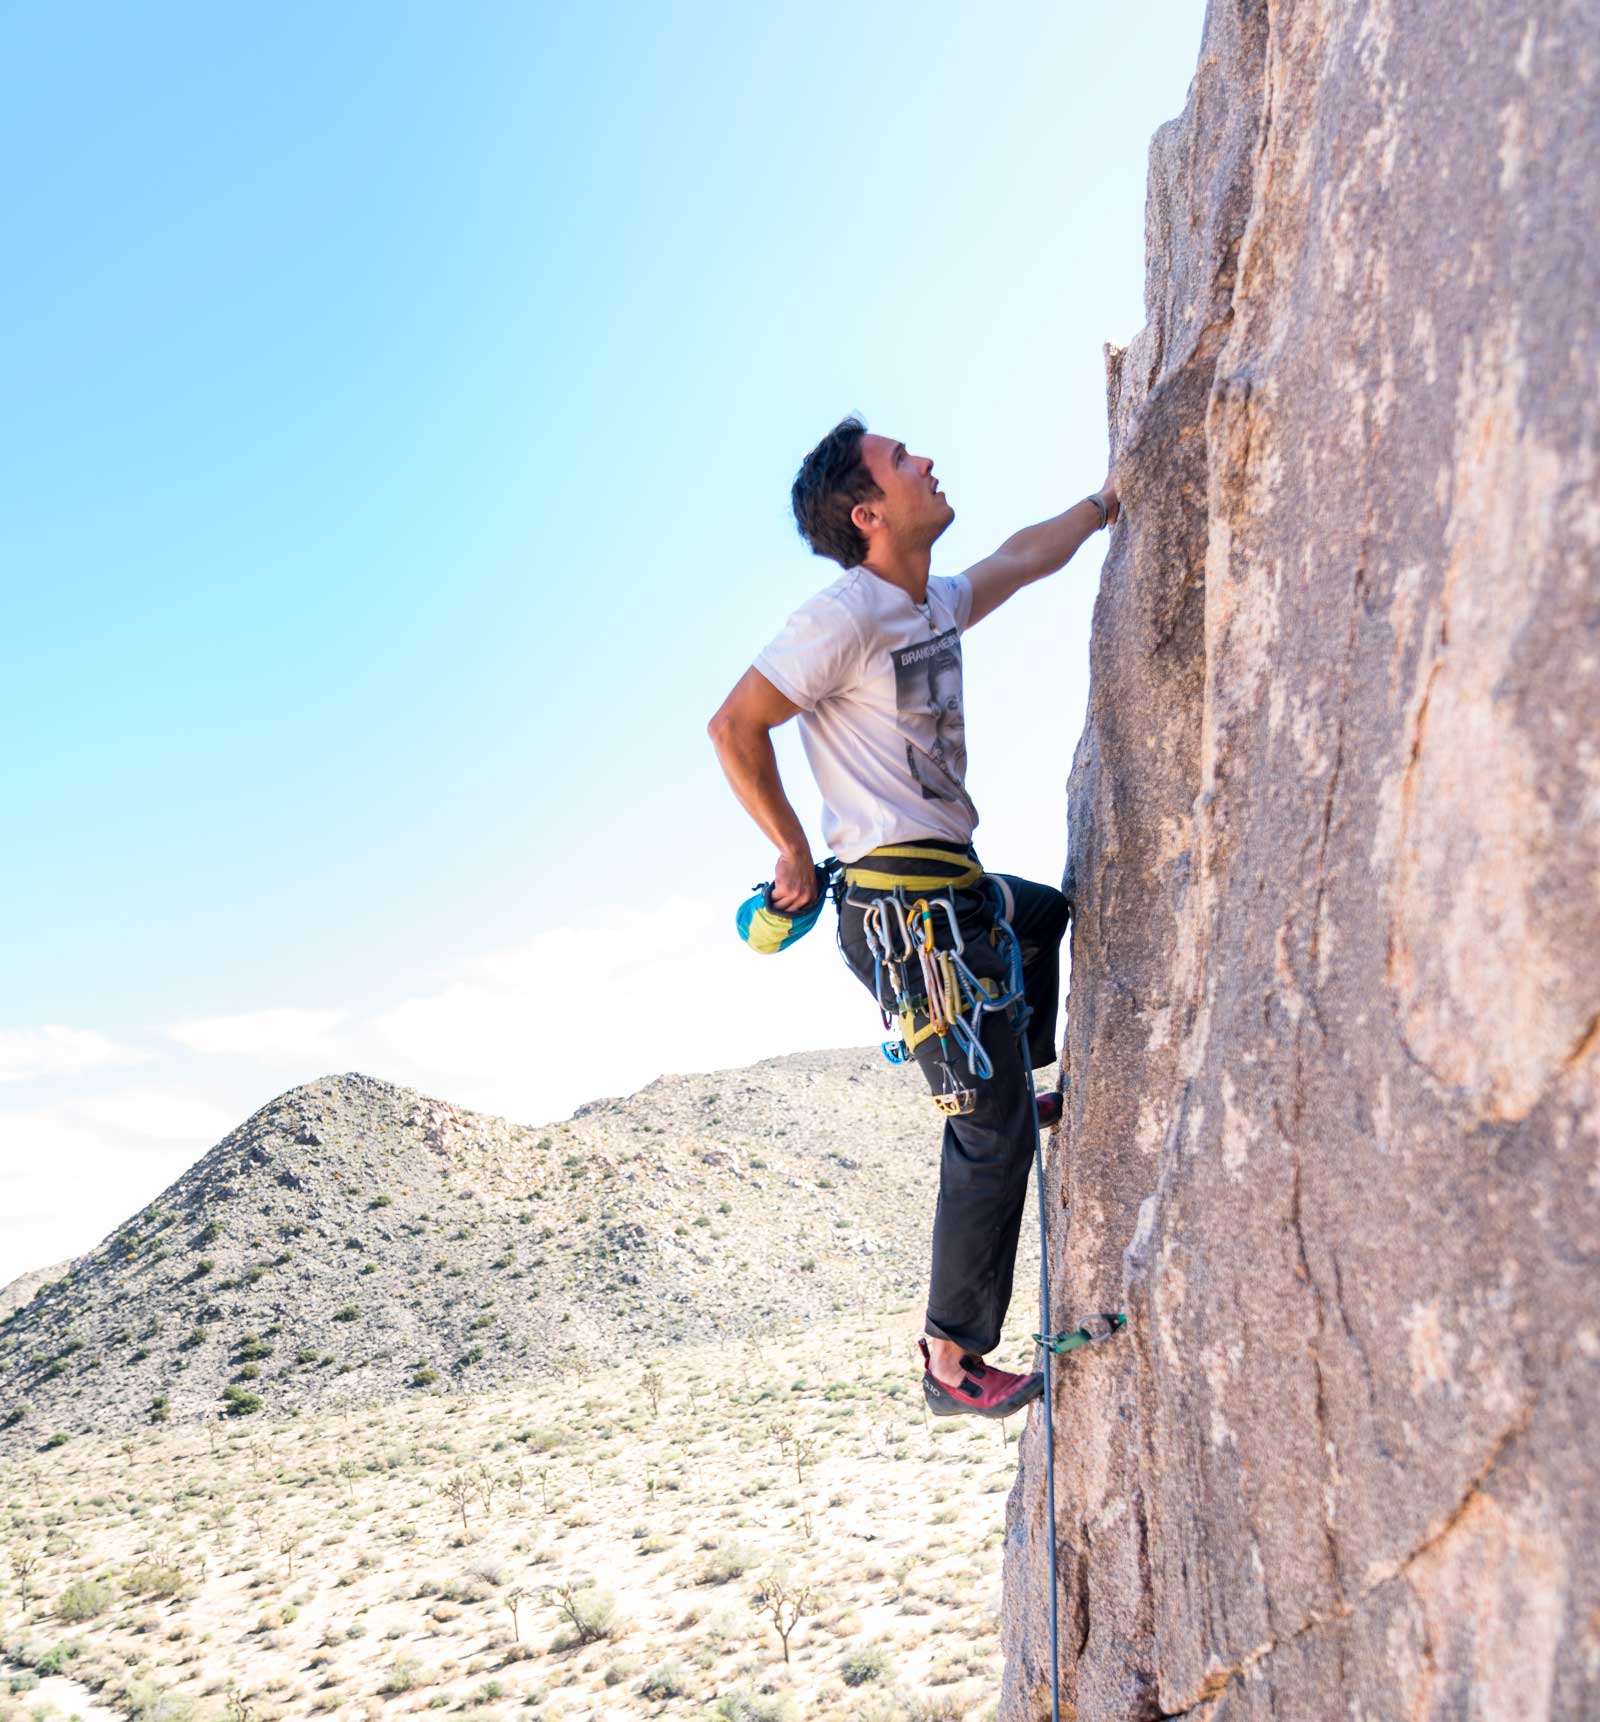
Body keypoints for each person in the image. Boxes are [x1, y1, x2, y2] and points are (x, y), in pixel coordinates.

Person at [707, 415, 1119, 1419]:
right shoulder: (839, 615)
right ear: (869, 511)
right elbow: (735, 724)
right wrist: (794, 850)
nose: (926, 459)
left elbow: (1021, 560)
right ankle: (952, 1356)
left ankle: (1020, 1089)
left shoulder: (925, 601)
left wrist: (1109, 501)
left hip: (953, 889)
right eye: (901, 460)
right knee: (985, 1128)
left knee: (1039, 916)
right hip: (903, 911)